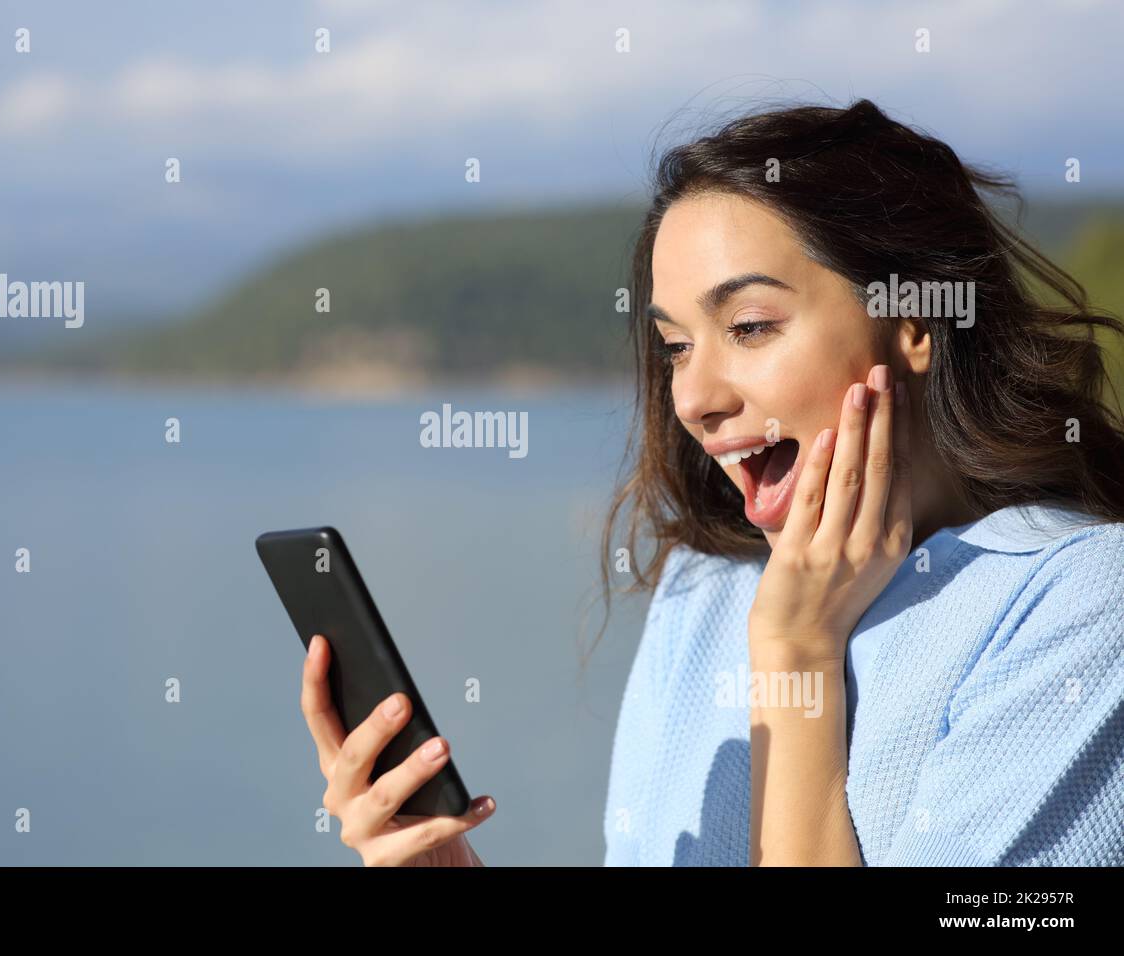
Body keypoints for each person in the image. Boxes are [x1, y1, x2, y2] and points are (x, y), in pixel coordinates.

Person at [300, 99, 1124, 866]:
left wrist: (798, 653)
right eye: (677, 346)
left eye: (750, 327)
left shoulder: (1080, 602)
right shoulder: (709, 589)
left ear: (913, 318)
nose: (694, 398)